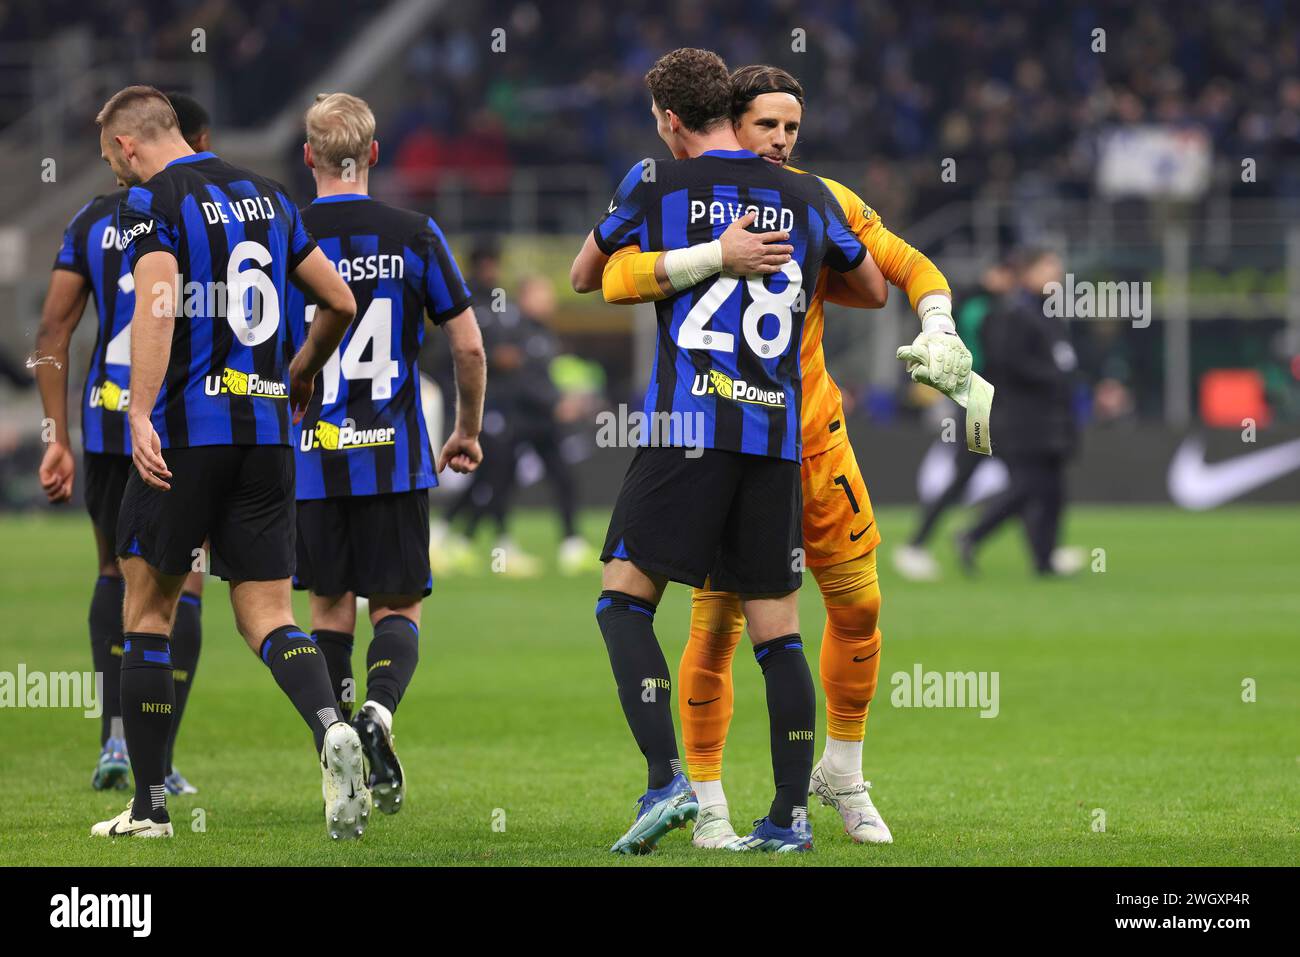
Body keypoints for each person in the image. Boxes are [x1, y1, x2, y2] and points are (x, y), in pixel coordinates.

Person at [594, 64, 964, 848]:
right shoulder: (727, 199)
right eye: (767, 125)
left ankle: (840, 774)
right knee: (730, 626)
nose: (782, 139)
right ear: (733, 121)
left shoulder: (812, 196)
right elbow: (614, 277)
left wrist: (939, 324)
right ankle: (715, 800)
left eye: (792, 128)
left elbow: (898, 268)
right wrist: (716, 256)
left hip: (810, 442)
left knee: (856, 607)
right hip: (753, 437)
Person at [86, 85, 365, 840]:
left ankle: (149, 808)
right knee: (269, 615)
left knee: (147, 613)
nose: (115, 169)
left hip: (186, 433)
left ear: (129, 146)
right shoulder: (270, 197)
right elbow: (339, 300)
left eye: (112, 156)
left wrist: (139, 410)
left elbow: (157, 302)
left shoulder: (151, 201)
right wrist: (302, 370)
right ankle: (330, 727)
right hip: (269, 433)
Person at [288, 92, 485, 815]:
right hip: (396, 456)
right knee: (397, 605)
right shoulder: (415, 233)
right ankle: (378, 715)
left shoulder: (284, 234)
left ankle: (337, 734)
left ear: (308, 156)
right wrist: (465, 429)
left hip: (311, 457)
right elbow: (466, 342)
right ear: (374, 154)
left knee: (328, 608)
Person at [33, 92, 216, 797]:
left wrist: (56, 436)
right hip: (179, 420)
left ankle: (115, 736)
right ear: (194, 139)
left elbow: (51, 334)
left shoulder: (89, 220)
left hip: (106, 424)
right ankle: (158, 758)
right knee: (182, 582)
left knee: (114, 572)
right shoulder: (209, 209)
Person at [957, 248, 1081, 576]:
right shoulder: (1013, 313)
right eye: (1048, 267)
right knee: (1027, 487)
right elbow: (1005, 363)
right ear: (1027, 273)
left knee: (1052, 491)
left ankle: (1044, 560)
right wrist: (1053, 373)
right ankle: (972, 534)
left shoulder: (1049, 313)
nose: (1055, 274)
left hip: (1053, 418)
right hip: (1022, 419)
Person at [894, 260, 1013, 583]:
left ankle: (947, 541)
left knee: (1022, 477)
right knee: (1010, 476)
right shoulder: (980, 308)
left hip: (983, 403)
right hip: (979, 403)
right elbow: (984, 358)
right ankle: (923, 543)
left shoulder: (982, 305)